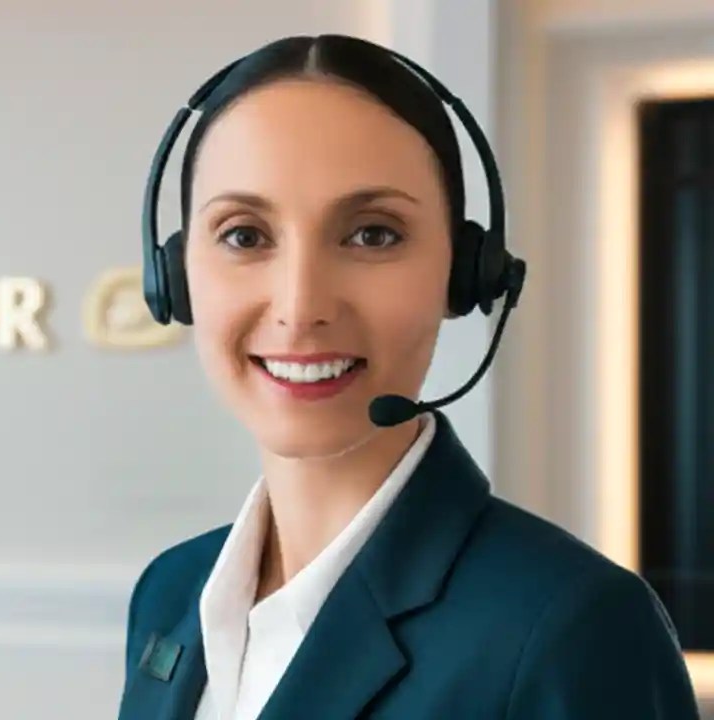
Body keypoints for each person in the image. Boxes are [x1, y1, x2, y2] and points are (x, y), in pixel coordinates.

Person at [117, 34, 701, 719]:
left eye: (372, 234)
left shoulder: (570, 626)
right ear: (176, 277)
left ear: (463, 272)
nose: (301, 308)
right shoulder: (171, 591)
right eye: (244, 235)